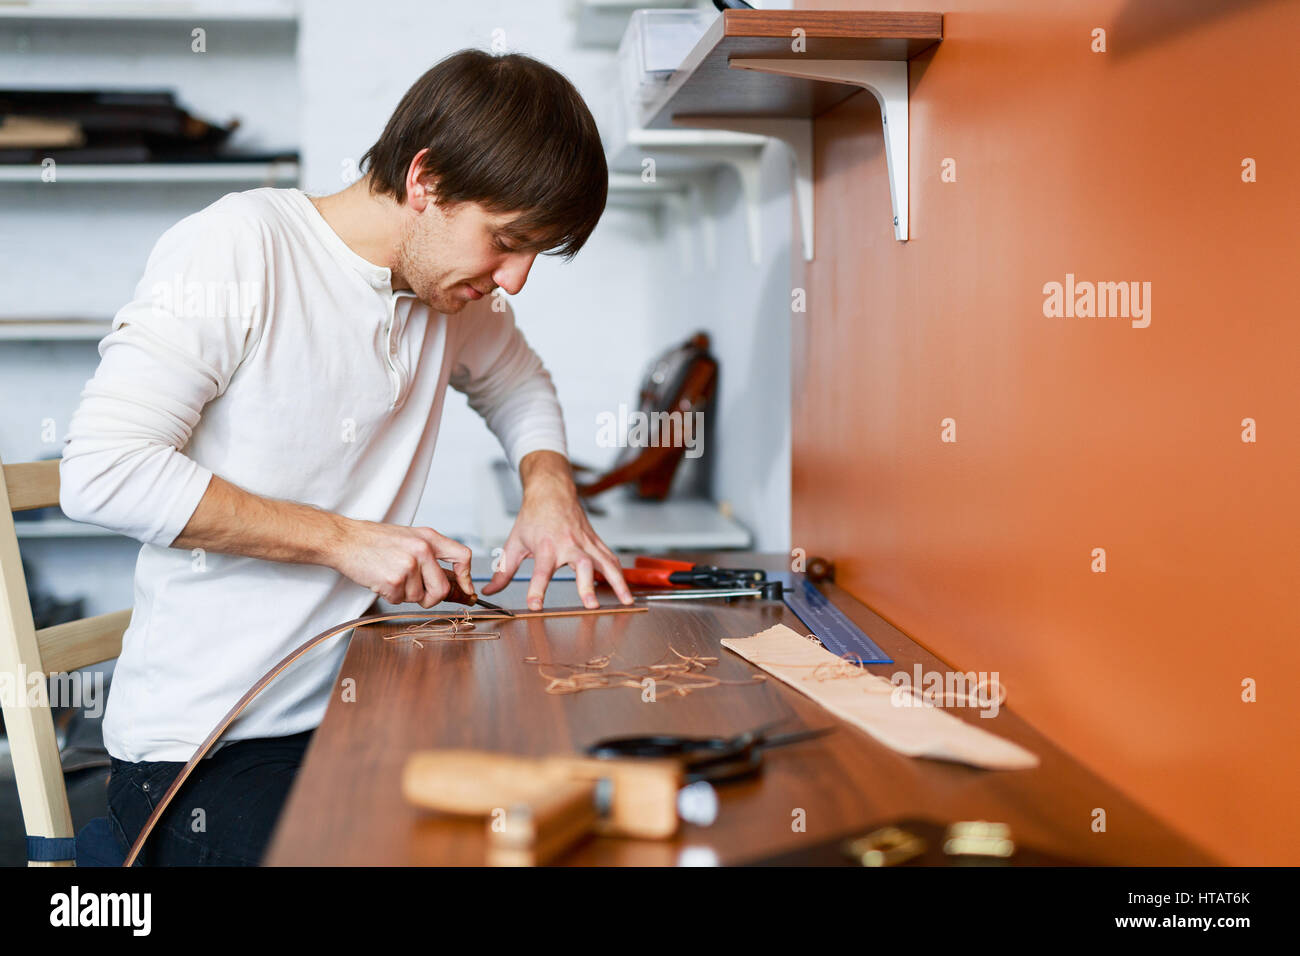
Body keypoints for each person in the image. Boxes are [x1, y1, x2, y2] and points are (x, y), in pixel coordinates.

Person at [59, 49, 633, 865]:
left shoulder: (444, 292)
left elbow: (520, 383)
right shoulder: (239, 250)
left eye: (537, 252)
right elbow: (103, 473)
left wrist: (548, 491)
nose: (516, 279)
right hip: (205, 752)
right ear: (425, 180)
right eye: (506, 241)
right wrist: (346, 540)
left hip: (355, 713)